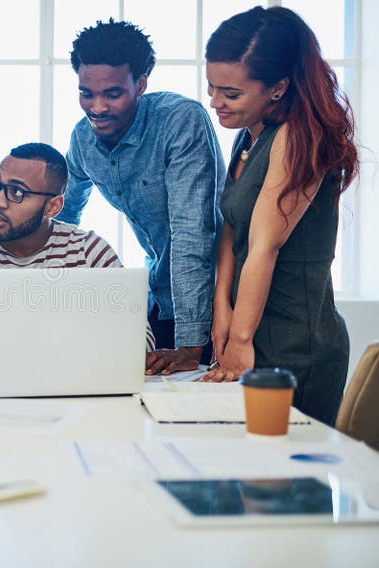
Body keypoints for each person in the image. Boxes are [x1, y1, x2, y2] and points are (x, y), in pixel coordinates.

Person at [203, 6, 358, 426]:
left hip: (294, 345)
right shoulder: (249, 136)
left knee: (284, 483)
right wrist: (221, 310)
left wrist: (240, 337)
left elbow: (263, 246)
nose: (215, 102)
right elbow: (231, 232)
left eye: (230, 94)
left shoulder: (298, 137)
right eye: (212, 87)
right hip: (249, 332)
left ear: (278, 88)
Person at [55, 19, 225, 374]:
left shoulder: (179, 122)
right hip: (159, 301)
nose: (97, 107)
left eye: (113, 93)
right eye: (86, 93)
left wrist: (191, 345)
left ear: (141, 84)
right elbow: (61, 215)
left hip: (216, 308)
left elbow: (192, 234)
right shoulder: (83, 139)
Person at [0, 142, 155, 376]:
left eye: (17, 192)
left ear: (53, 207)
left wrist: (58, 360)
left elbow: (139, 340)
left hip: (75, 400)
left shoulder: (89, 251)